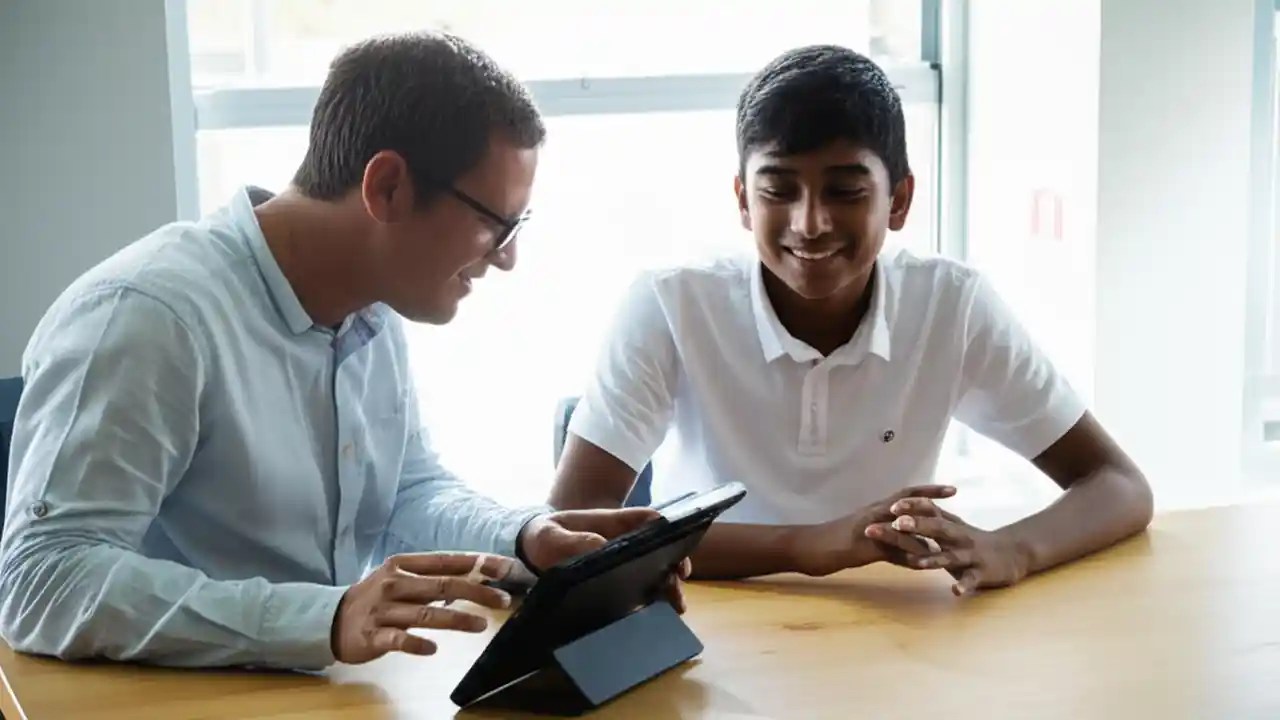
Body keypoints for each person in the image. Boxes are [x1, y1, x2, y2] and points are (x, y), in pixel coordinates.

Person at [0, 31, 684, 671]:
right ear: (386, 187)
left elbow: (405, 494)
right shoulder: (149, 316)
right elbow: (41, 581)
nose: (507, 258)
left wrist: (526, 538)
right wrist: (324, 618)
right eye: (495, 223)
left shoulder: (372, 308)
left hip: (315, 694)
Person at [549, 45, 1153, 595]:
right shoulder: (670, 303)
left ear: (899, 201)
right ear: (743, 200)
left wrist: (1011, 549)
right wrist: (806, 546)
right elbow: (571, 531)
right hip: (706, 618)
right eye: (778, 190)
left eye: (845, 192)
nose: (809, 223)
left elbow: (1119, 485)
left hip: (890, 623)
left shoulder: (952, 305)